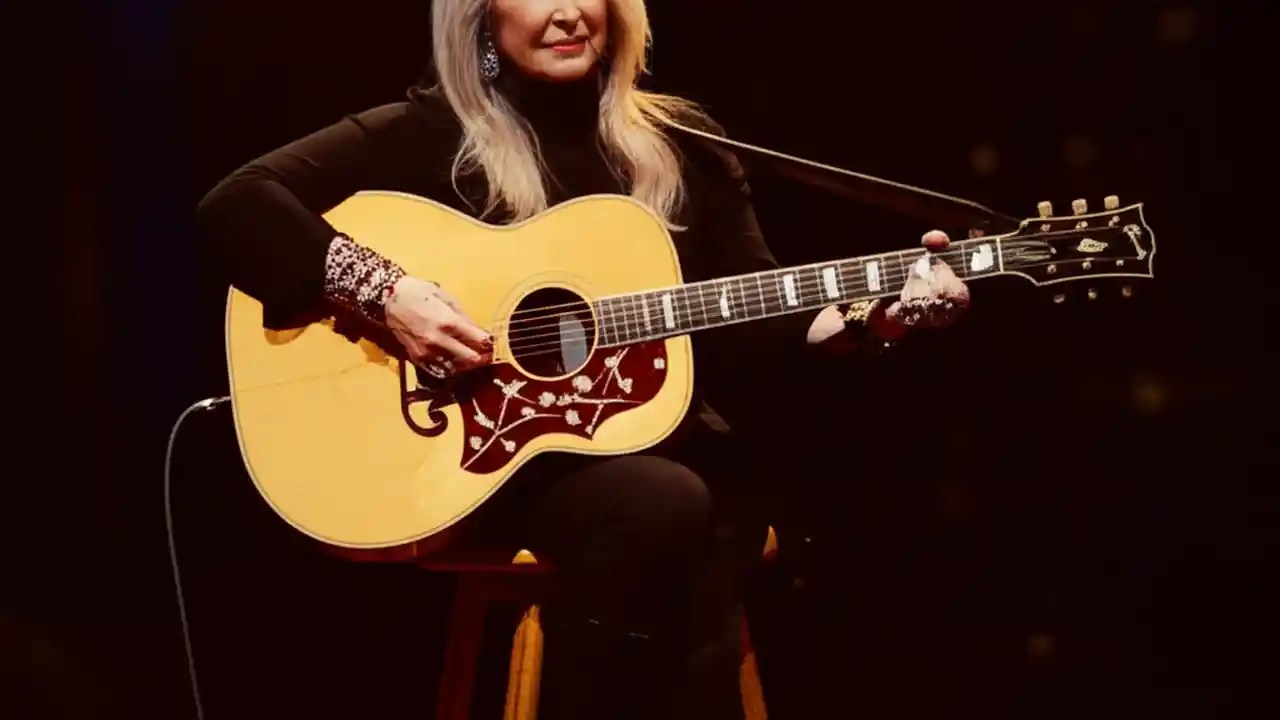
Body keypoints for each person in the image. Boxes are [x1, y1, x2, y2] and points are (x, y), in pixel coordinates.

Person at [195, 0, 970, 717]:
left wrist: (878, 320)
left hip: (653, 459)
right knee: (664, 504)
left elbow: (753, 325)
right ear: (479, 17)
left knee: (693, 498)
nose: (567, 10)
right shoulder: (433, 132)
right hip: (476, 463)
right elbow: (237, 202)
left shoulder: (682, 144)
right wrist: (389, 297)